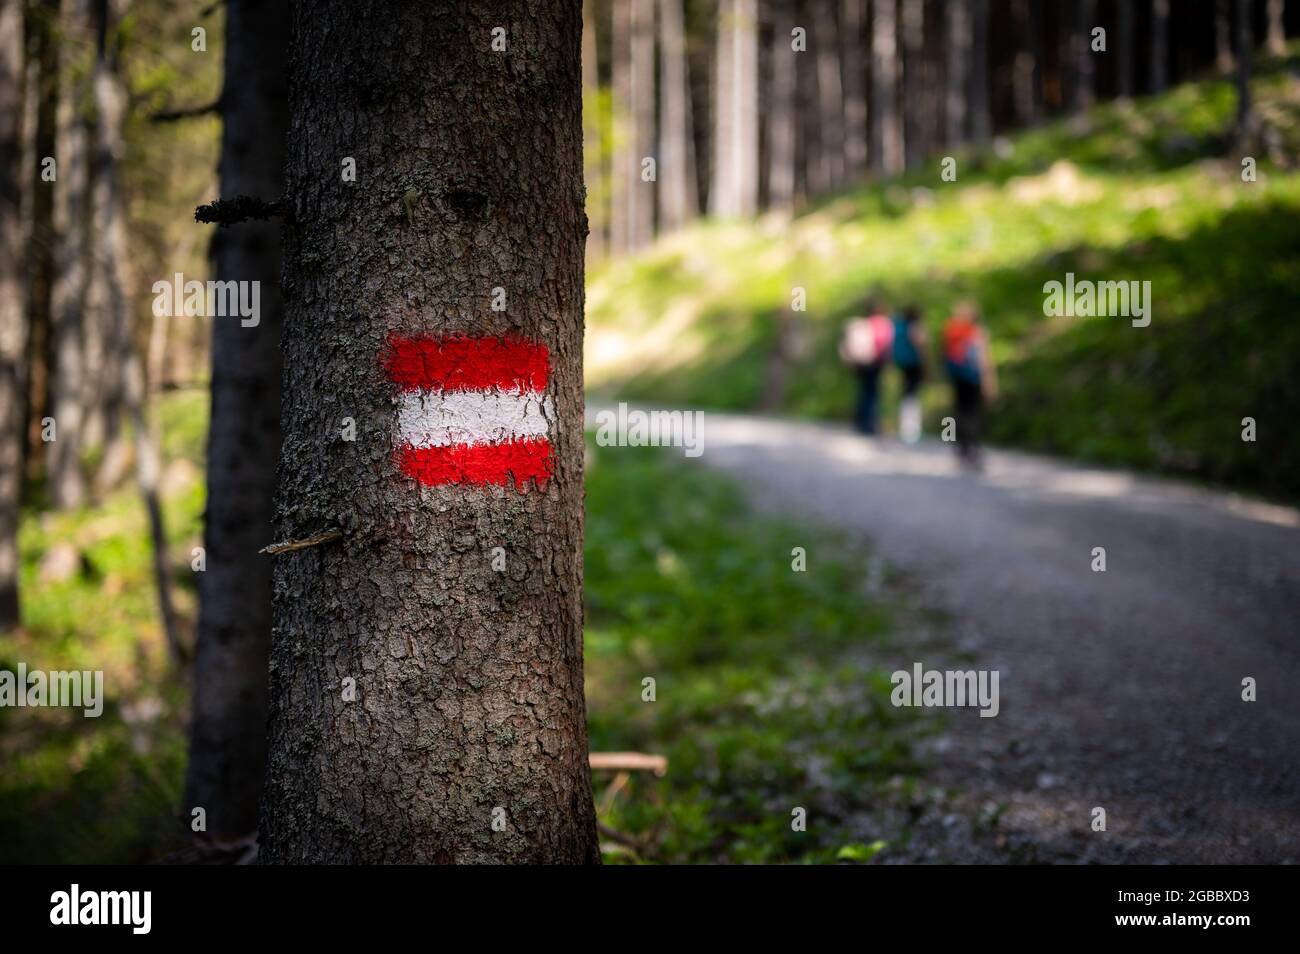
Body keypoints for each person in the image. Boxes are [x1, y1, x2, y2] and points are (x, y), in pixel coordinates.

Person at [942, 302, 998, 468]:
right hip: (973, 378)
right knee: (973, 412)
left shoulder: (952, 331)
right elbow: (984, 359)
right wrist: (990, 383)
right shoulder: (977, 332)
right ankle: (973, 449)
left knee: (959, 410)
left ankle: (961, 449)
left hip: (957, 378)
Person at [839, 300, 895, 435]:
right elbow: (885, 346)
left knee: (863, 391)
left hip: (861, 362)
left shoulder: (864, 323)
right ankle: (869, 424)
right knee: (873, 393)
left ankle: (860, 422)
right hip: (875, 363)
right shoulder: (884, 324)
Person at [892, 306, 928, 444]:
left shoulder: (901, 326)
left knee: (906, 394)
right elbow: (921, 346)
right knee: (912, 396)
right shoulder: (915, 327)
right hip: (914, 365)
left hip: (903, 364)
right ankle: (911, 431)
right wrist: (926, 364)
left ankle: (905, 429)